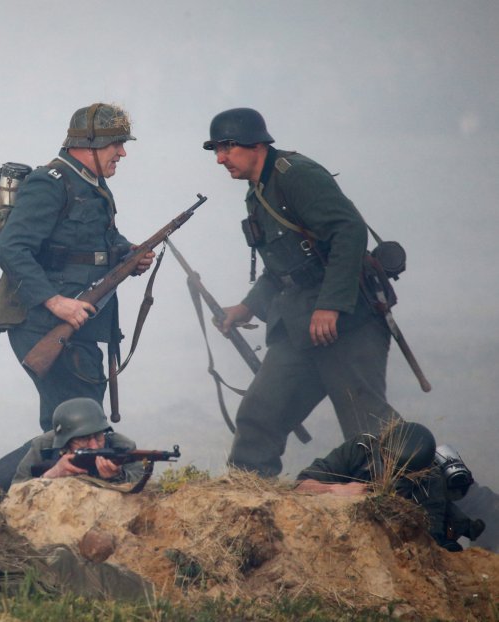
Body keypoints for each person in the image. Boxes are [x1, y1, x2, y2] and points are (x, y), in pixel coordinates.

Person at [205, 107, 398, 476]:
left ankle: (453, 503)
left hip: (347, 323)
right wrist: (247, 308)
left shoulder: (297, 176)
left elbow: (349, 231)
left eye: (227, 147)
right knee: (259, 415)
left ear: (256, 144)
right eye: (216, 149)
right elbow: (288, 264)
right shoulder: (258, 191)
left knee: (371, 431)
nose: (220, 158)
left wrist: (331, 306)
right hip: (297, 324)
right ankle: (248, 509)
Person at [0, 103, 154, 432]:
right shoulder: (50, 183)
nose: (122, 153)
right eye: (115, 144)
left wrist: (128, 254)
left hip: (78, 321)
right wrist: (55, 301)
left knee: (76, 418)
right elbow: (11, 249)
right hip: (46, 322)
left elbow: (94, 238)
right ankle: (16, 482)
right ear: (88, 145)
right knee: (75, 424)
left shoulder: (90, 181)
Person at [295, 421, 483, 551]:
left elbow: (425, 545)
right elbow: (301, 486)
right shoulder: (361, 448)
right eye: (386, 463)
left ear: (420, 473)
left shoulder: (430, 486)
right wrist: (334, 490)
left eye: (398, 472)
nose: (389, 473)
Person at [12, 397, 143, 485]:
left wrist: (118, 477)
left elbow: (141, 483)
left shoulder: (122, 446)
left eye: (98, 436)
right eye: (83, 439)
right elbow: (16, 489)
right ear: (65, 442)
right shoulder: (43, 446)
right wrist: (49, 476)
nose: (94, 446)